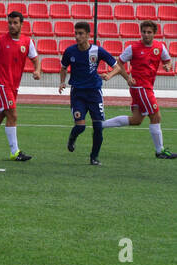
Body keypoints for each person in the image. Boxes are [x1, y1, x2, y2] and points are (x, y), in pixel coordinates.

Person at [59, 21, 134, 165]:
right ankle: (72, 138)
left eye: (81, 34)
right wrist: (62, 82)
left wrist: (109, 75)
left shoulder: (97, 51)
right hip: (78, 93)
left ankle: (94, 157)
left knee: (98, 127)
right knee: (80, 126)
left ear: (88, 35)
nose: (77, 36)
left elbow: (117, 67)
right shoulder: (70, 51)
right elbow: (63, 67)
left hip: (94, 93)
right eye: (76, 33)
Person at [101, 20, 176, 157]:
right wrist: (128, 78)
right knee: (156, 117)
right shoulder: (133, 48)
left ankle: (100, 125)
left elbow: (168, 61)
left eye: (149, 32)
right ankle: (160, 151)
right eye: (144, 32)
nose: (146, 35)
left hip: (146, 87)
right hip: (141, 87)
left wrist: (168, 66)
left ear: (154, 34)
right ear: (140, 32)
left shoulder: (160, 47)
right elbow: (119, 64)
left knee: (136, 120)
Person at [0, 10, 40, 161]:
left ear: (21, 25)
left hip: (13, 86)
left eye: (15, 23)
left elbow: (36, 59)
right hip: (1, 84)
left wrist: (37, 71)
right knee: (13, 114)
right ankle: (15, 152)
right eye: (10, 23)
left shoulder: (27, 42)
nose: (12, 26)